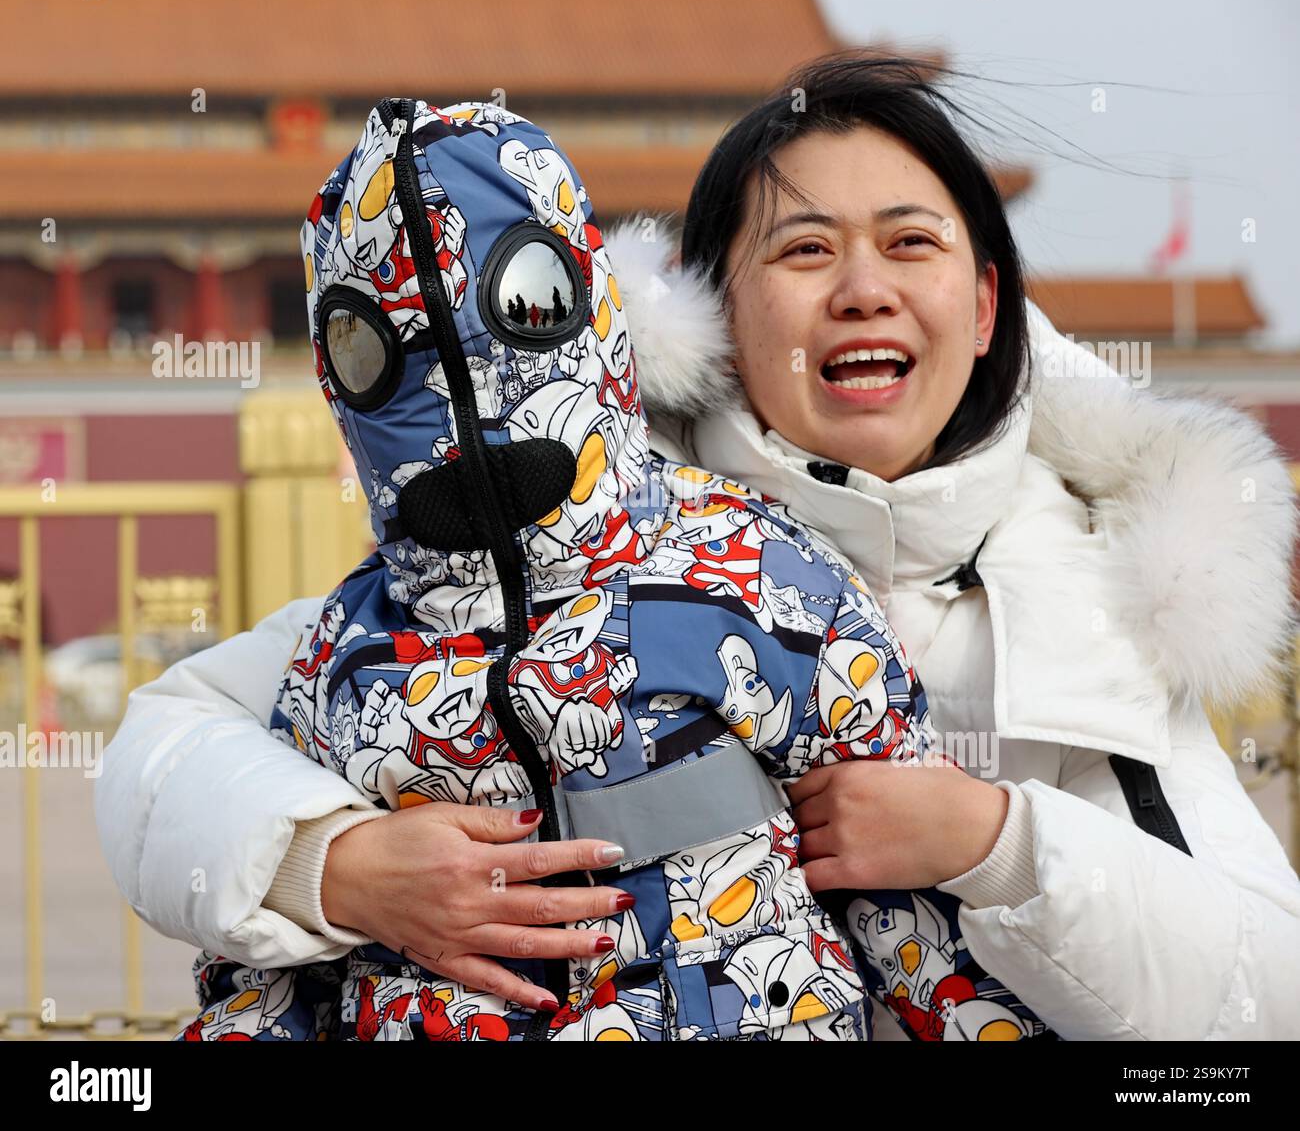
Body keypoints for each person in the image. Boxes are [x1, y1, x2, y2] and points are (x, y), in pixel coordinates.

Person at [95, 54, 1300, 1040]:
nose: (864, 289)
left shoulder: (1097, 602)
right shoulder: (552, 530)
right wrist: (334, 863)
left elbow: (1261, 999)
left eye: (910, 244)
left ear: (985, 307)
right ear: (713, 303)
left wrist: (1002, 844)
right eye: (805, 248)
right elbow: (170, 745)